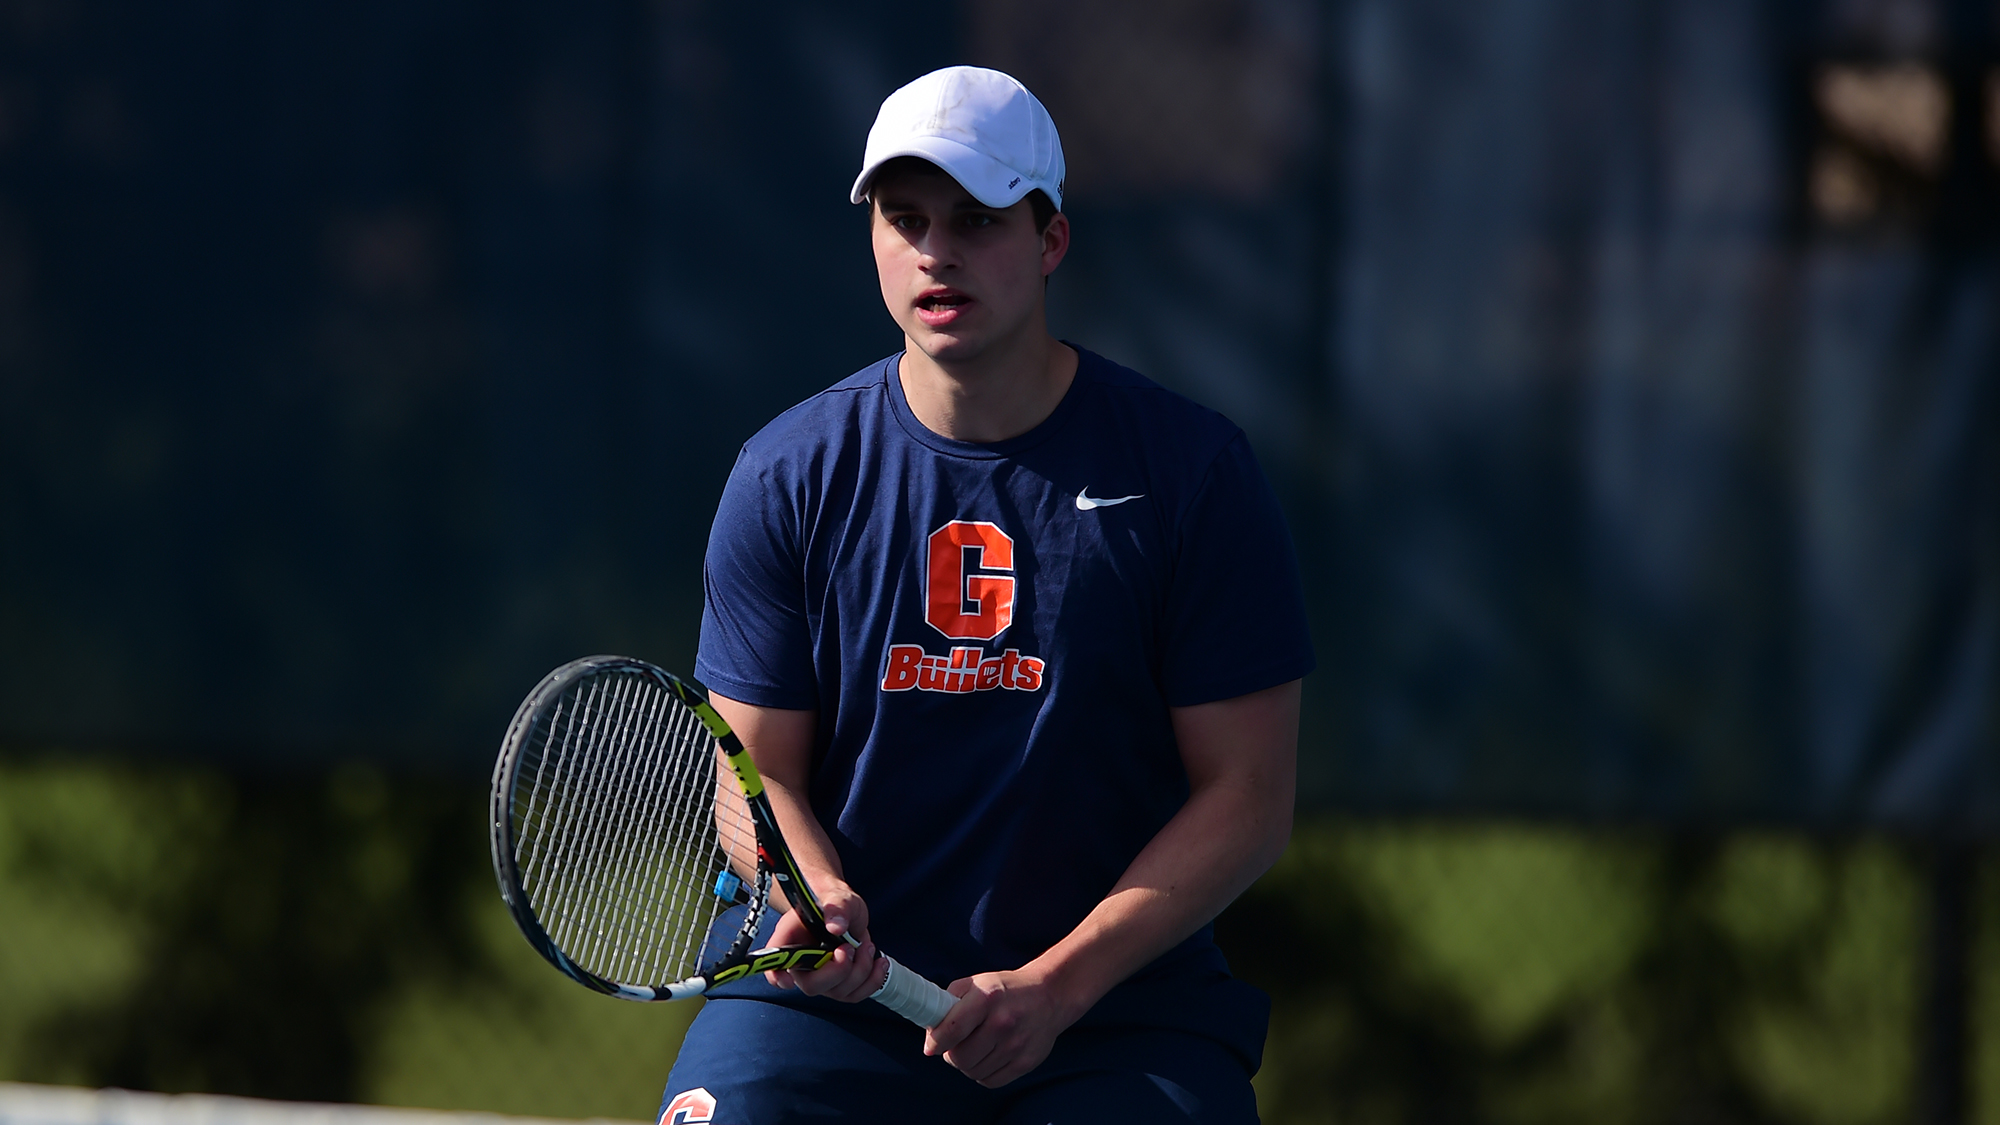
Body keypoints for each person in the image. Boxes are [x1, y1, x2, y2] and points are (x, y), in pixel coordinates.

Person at [659, 65, 1313, 1125]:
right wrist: (815, 894)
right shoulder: (786, 474)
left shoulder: (1193, 475)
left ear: (1050, 241)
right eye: (905, 218)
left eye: (976, 219)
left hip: (1114, 1020)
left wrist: (1054, 988)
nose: (936, 251)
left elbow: (1247, 797)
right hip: (829, 1013)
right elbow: (753, 770)